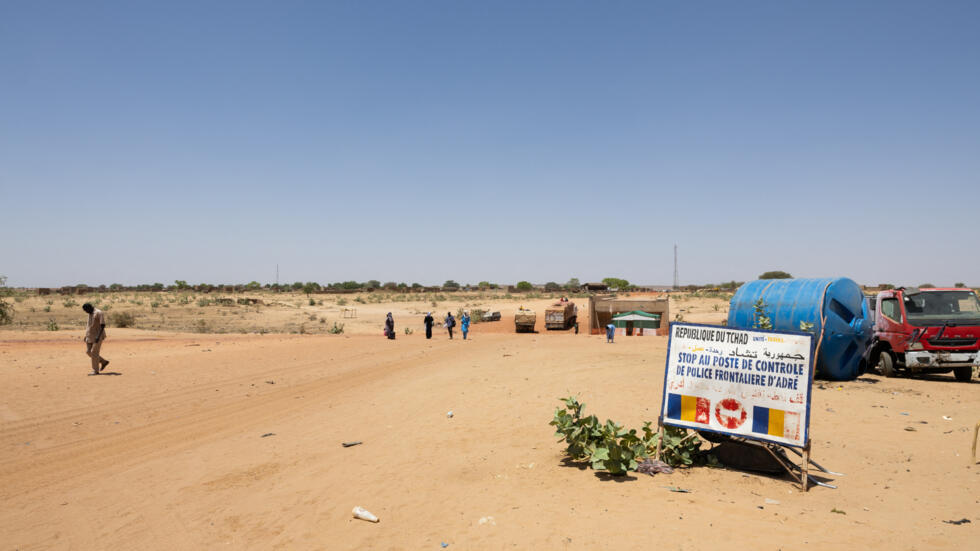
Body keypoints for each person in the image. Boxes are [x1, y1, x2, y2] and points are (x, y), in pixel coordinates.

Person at [82, 303, 109, 374]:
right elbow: (89, 325)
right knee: (88, 352)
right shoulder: (90, 313)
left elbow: (102, 325)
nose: (86, 312)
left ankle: (95, 370)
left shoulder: (98, 313)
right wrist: (86, 335)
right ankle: (103, 362)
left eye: (86, 310)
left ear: (90, 307)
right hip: (90, 335)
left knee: (94, 352)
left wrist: (98, 336)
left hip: (97, 336)